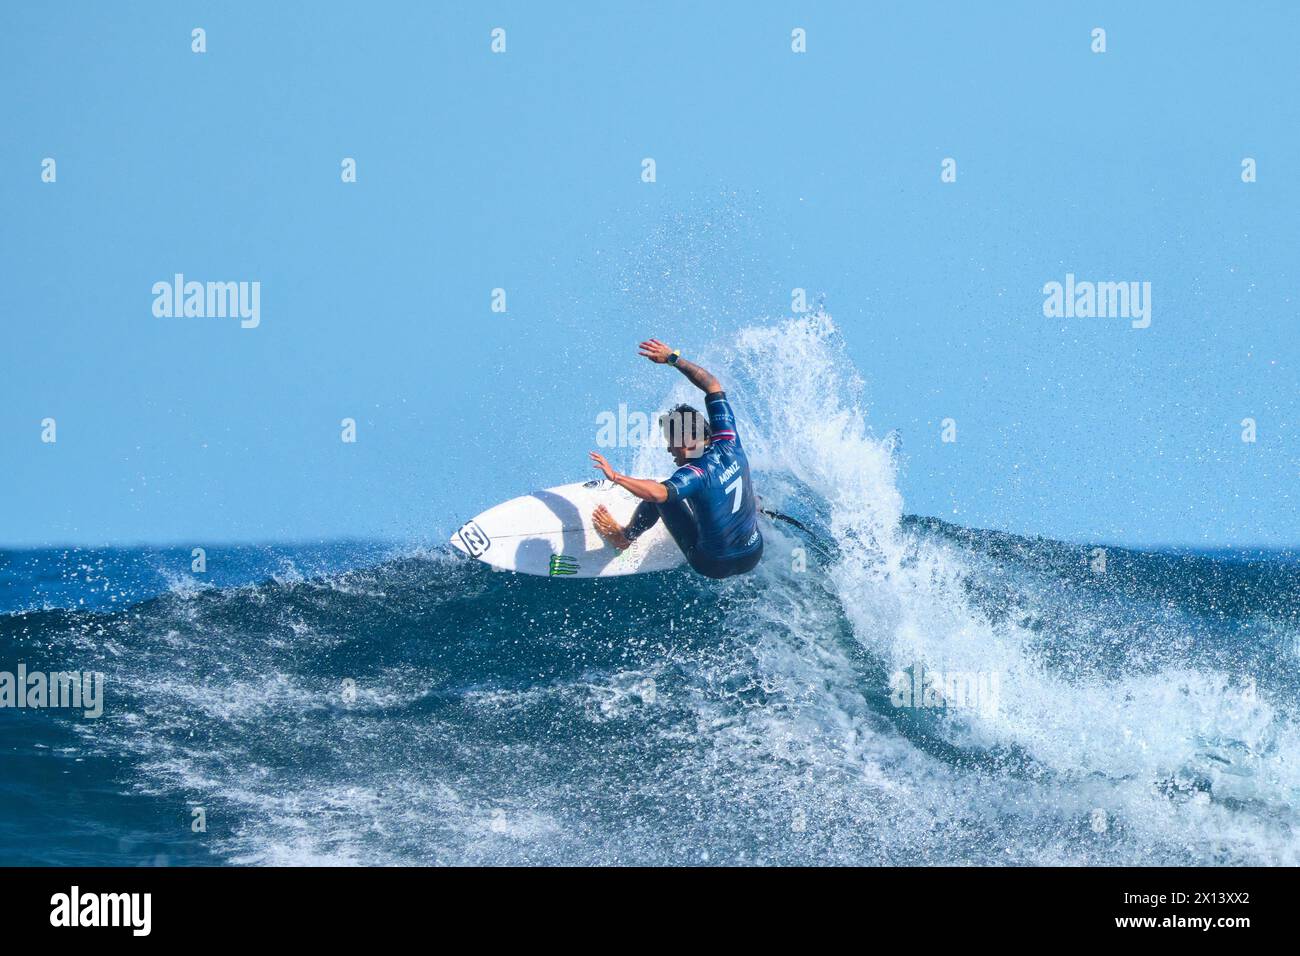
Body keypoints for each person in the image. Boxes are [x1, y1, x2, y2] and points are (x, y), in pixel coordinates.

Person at [588, 339, 762, 579]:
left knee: (661, 495)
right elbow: (712, 385)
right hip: (754, 553)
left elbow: (657, 493)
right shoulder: (728, 438)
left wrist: (616, 476)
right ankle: (755, 505)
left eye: (670, 442)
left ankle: (624, 538)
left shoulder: (696, 473)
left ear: (684, 440)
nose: (669, 450)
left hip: (712, 564)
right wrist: (673, 358)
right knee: (738, 489)